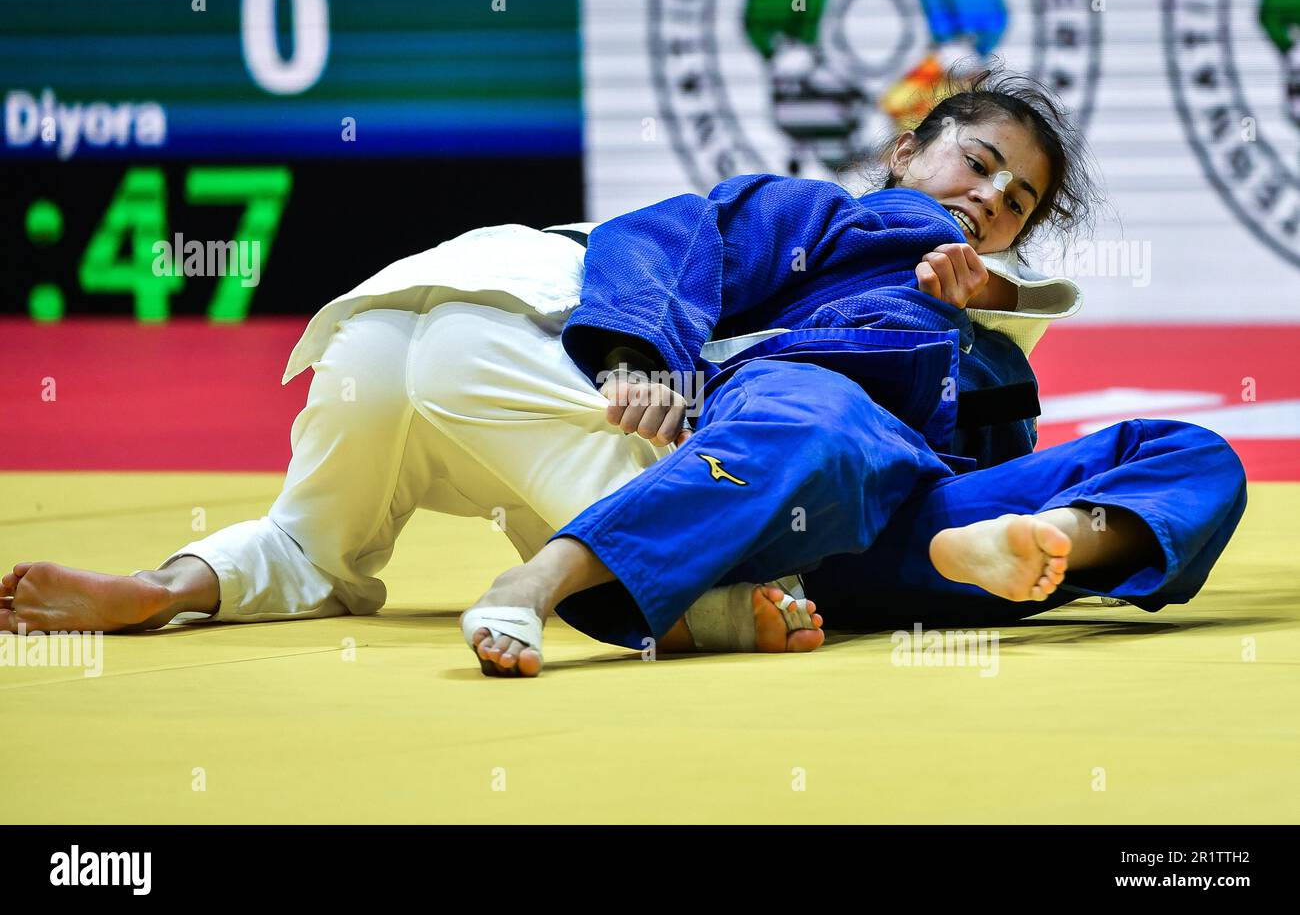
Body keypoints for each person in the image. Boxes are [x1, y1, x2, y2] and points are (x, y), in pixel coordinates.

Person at [458, 67, 1246, 676]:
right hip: (802, 425)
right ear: (905, 151)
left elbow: (997, 460)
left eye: (1017, 202)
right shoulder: (823, 218)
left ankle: (1050, 542)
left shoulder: (995, 345)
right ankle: (540, 582)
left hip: (916, 527)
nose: (989, 196)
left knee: (1194, 452)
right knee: (824, 426)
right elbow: (660, 239)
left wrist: (965, 333)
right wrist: (638, 360)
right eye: (979, 162)